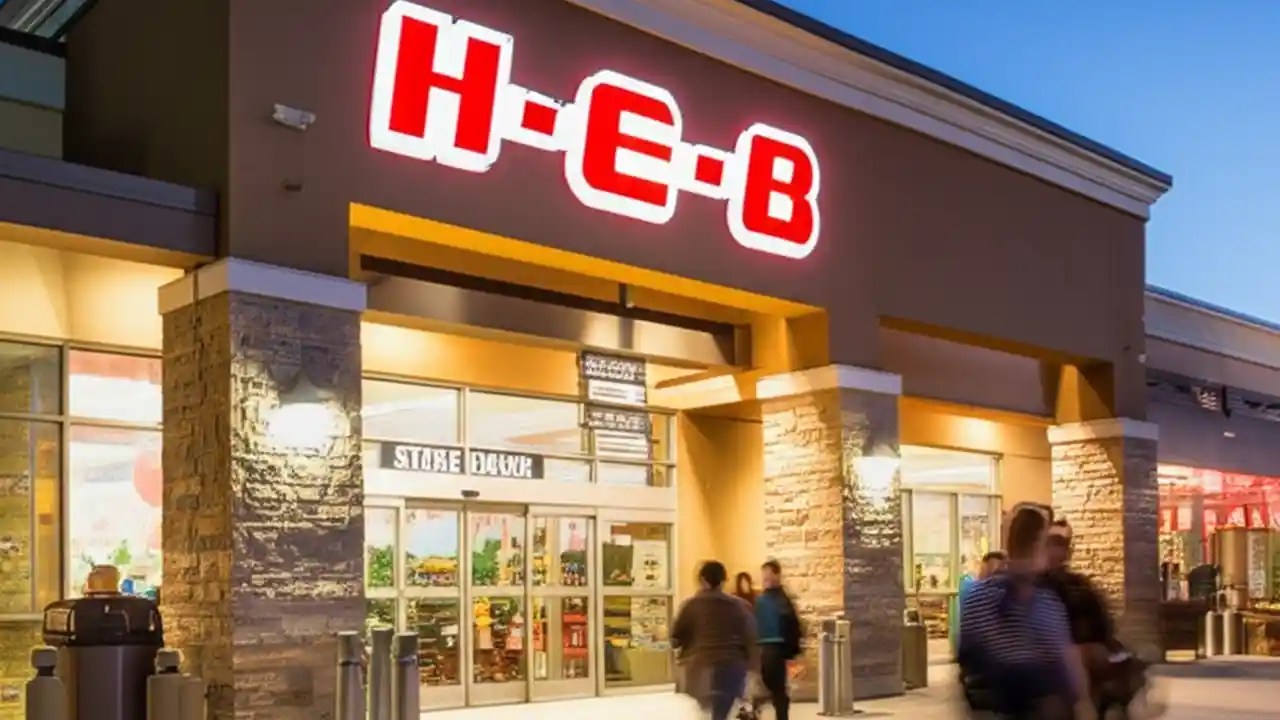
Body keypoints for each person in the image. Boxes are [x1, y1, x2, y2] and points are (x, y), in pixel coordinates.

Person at [959, 508, 1092, 719]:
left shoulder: (977, 595)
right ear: (1038, 546)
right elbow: (1066, 662)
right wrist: (1083, 703)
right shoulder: (1042, 601)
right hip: (1025, 705)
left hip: (984, 704)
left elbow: (966, 655)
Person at [1041, 522, 1149, 717]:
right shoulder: (1038, 585)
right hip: (1060, 652)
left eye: (1062, 546)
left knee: (1120, 661)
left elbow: (1102, 620)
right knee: (1085, 661)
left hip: (1085, 647)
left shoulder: (1079, 585)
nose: (1058, 553)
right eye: (1053, 545)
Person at [673, 560, 758, 720]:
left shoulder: (690, 606)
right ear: (723, 581)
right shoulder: (739, 606)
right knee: (723, 710)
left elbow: (676, 638)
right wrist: (753, 667)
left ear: (702, 580)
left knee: (708, 711)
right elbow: (751, 636)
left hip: (701, 668)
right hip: (733, 668)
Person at [755, 560, 801, 720]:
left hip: (775, 648)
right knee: (772, 688)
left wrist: (791, 652)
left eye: (769, 575)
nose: (765, 579)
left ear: (777, 575)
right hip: (762, 648)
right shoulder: (762, 600)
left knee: (776, 688)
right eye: (764, 575)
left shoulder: (782, 600)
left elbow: (792, 626)